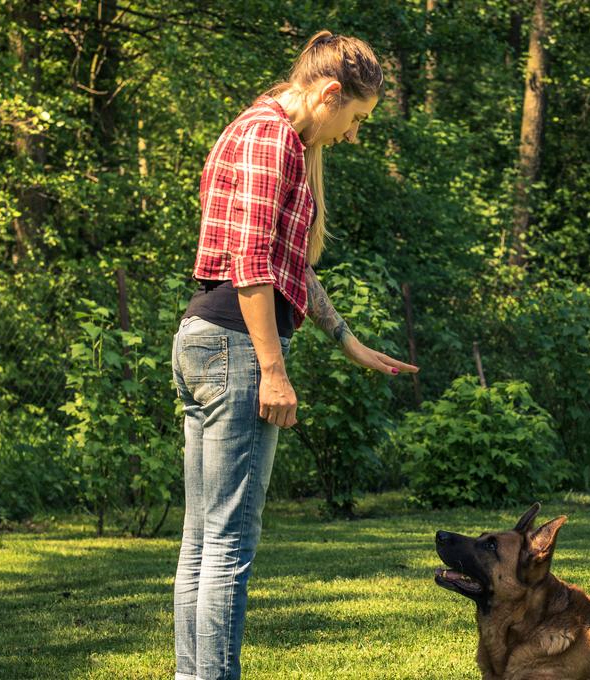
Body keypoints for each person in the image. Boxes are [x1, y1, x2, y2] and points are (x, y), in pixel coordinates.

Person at [170, 31, 419, 680]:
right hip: (234, 350)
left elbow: (289, 268)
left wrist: (347, 340)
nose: (354, 136)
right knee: (228, 548)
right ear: (331, 94)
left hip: (211, 342)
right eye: (357, 119)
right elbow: (252, 264)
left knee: (204, 544)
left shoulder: (266, 134)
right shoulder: (270, 137)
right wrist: (273, 372)